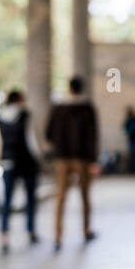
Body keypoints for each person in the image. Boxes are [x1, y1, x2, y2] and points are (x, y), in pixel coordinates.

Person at [45, 75, 99, 250]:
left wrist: (59, 146)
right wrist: (93, 160)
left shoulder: (58, 108)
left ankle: (58, 236)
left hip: (61, 158)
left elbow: (48, 133)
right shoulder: (87, 108)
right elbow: (93, 136)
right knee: (84, 196)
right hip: (82, 158)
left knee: (60, 197)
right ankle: (86, 230)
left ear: (69, 88)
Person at [0, 89, 40, 253]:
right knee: (30, 197)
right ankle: (30, 230)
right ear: (19, 100)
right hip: (26, 162)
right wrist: (41, 160)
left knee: (7, 199)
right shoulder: (26, 115)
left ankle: (4, 234)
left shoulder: (1, 117)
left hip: (7, 161)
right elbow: (32, 141)